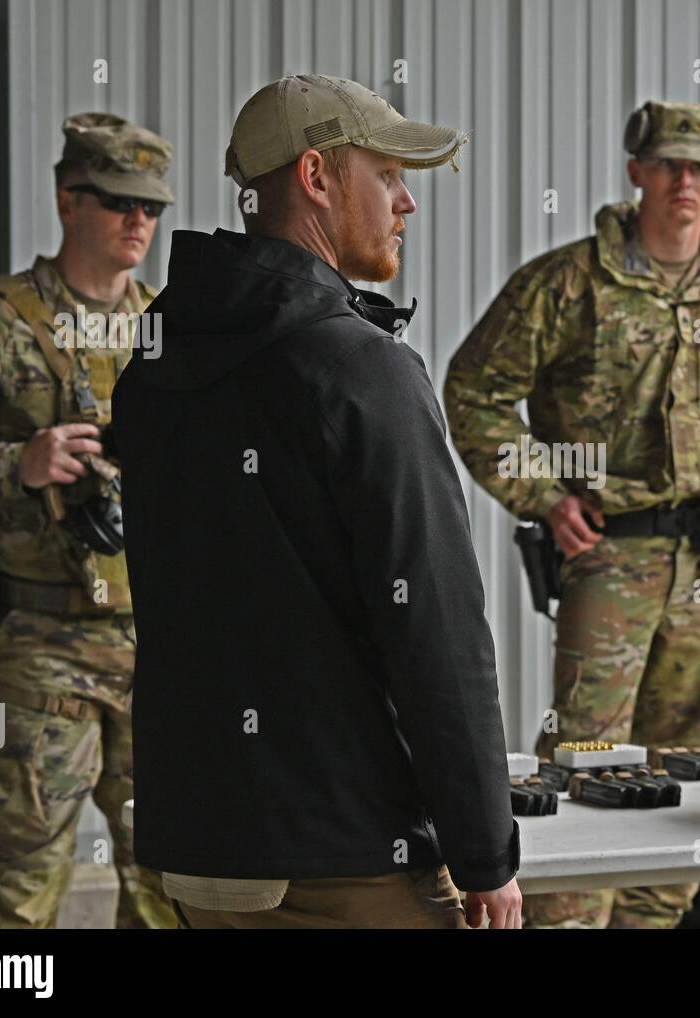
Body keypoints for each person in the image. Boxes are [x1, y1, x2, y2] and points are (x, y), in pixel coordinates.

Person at [112, 74, 521, 930]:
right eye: (387, 174)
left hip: (201, 855)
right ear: (316, 177)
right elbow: (436, 630)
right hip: (346, 856)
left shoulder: (152, 366)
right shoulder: (361, 371)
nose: (407, 201)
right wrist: (485, 852)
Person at [444, 100, 700, 928]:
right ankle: (564, 919)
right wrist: (543, 494)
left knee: (692, 757)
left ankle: (653, 918)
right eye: (668, 165)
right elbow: (473, 393)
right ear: (636, 171)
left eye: (699, 168)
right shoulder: (569, 283)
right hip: (612, 554)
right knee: (587, 755)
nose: (684, 181)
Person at [0, 113, 178, 928]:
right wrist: (13, 464)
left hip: (157, 648)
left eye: (152, 208)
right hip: (39, 651)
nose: (139, 223)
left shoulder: (172, 330)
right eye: (119, 202)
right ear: (67, 200)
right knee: (17, 894)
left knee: (172, 886)